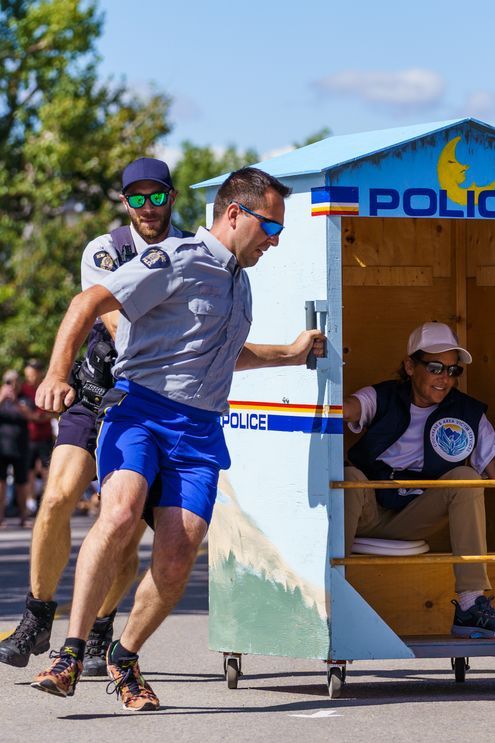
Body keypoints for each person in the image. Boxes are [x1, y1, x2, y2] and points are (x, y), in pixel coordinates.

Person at [29, 167, 324, 711]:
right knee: (118, 515)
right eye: (269, 226)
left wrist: (291, 353)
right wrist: (54, 374)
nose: (275, 239)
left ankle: (123, 657)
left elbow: (226, 354)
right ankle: (69, 651)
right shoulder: (175, 259)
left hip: (200, 429)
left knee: (179, 551)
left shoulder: (240, 280)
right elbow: (86, 303)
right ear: (234, 214)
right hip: (139, 410)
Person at [0, 158, 191, 676]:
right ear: (125, 202)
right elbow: (112, 316)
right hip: (97, 390)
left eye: (157, 197)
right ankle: (38, 613)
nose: (147, 207)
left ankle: (102, 622)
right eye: (138, 198)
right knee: (59, 494)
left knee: (122, 525)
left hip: (151, 403)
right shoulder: (106, 250)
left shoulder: (193, 251)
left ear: (171, 198)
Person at [343, 322, 495, 639]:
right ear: (410, 366)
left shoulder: (466, 411)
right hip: (366, 509)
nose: (445, 378)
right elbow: (345, 411)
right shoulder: (382, 396)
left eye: (453, 370)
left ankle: (470, 605)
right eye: (435, 367)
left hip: (414, 516)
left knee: (466, 478)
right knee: (349, 478)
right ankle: (331, 593)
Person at [0, 369, 33, 526]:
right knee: (1, 483)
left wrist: (14, 402)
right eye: (8, 382)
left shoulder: (24, 400)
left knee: (22, 483)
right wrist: (2, 398)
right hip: (2, 447)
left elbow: (32, 416)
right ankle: (0, 518)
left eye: (14, 382)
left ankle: (24, 517)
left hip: (20, 447)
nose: (12, 386)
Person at [21, 359, 54, 505]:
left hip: (45, 436)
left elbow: (50, 413)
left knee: (47, 469)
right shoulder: (23, 390)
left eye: (33, 375)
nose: (30, 379)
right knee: (29, 471)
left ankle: (46, 499)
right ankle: (30, 501)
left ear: (40, 374)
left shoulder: (47, 387)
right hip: (28, 437)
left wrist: (38, 416)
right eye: (28, 375)